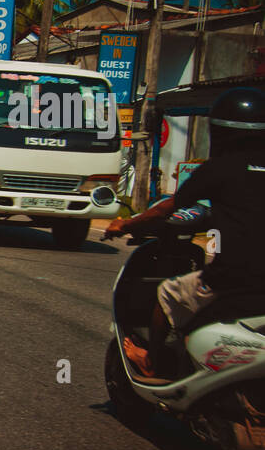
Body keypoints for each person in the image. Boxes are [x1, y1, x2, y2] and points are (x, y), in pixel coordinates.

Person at [104, 86, 265, 377]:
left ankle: (152, 362)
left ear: (221, 132)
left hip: (234, 278)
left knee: (167, 294)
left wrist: (125, 224)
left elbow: (164, 209)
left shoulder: (218, 169)